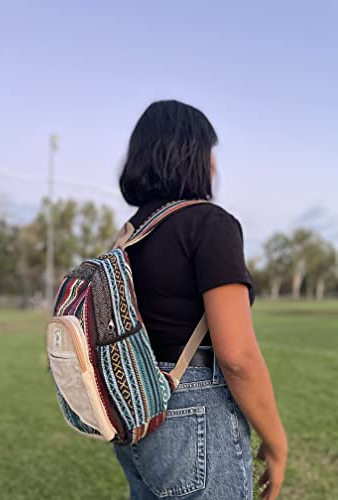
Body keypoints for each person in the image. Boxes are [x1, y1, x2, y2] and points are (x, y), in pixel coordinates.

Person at [112, 100, 288, 500]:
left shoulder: (128, 236)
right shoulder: (209, 224)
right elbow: (237, 357)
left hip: (134, 407)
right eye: (210, 151)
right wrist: (276, 441)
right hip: (191, 411)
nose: (213, 165)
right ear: (191, 153)